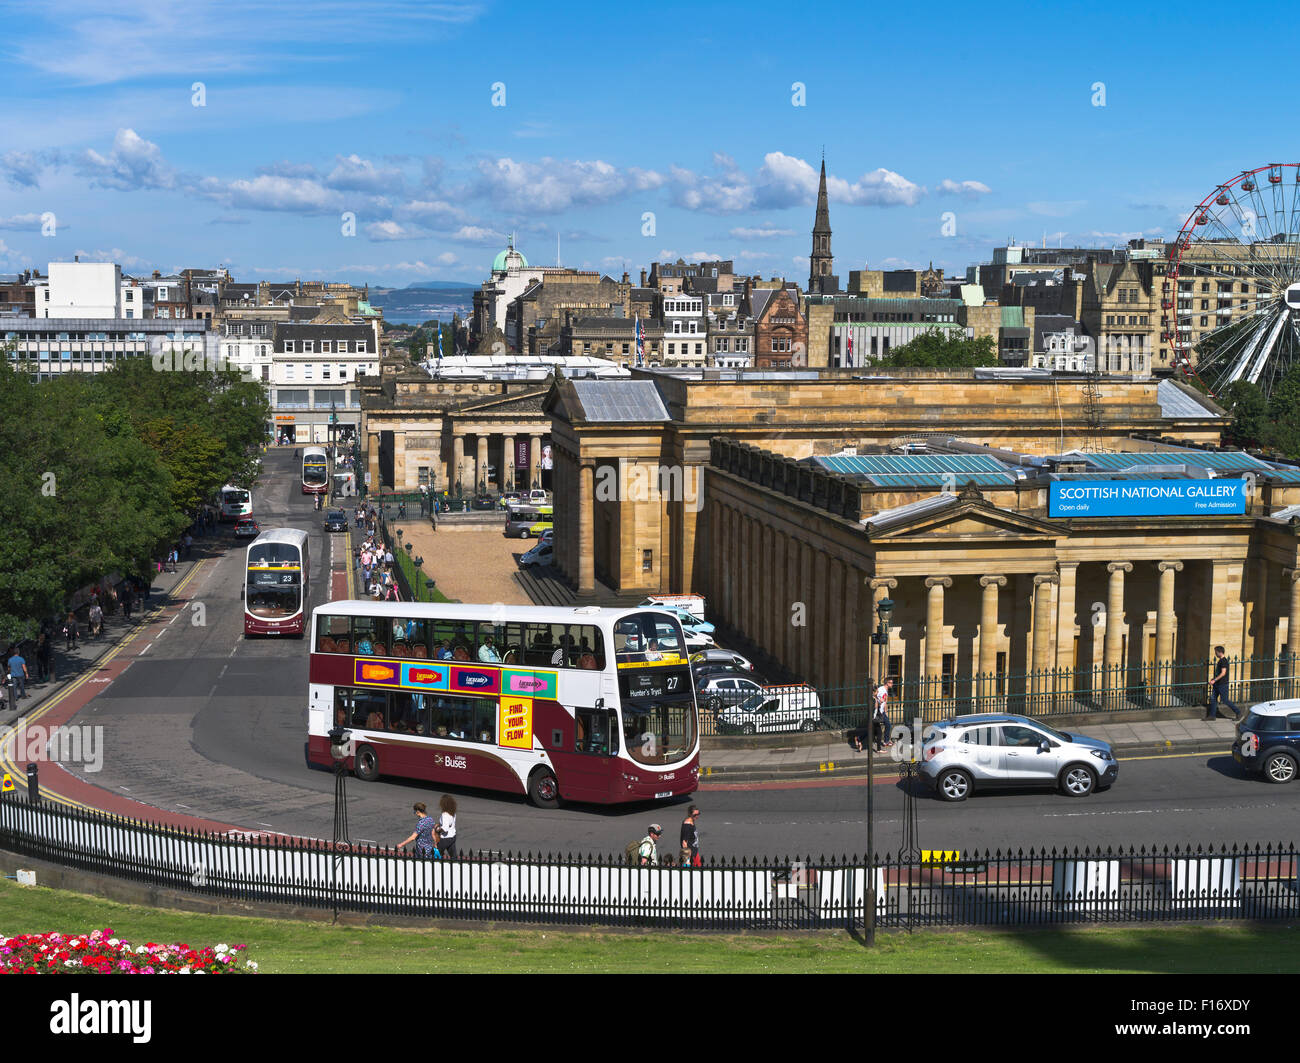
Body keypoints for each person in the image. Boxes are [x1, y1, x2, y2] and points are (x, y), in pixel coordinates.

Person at [1207, 645, 1241, 721]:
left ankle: (1238, 712)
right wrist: (1214, 680)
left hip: (1222, 684)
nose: (1215, 653)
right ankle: (1212, 716)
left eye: (1216, 652)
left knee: (1225, 700)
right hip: (1217, 684)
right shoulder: (1221, 660)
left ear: (1219, 652)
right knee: (1213, 699)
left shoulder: (1224, 661)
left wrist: (1214, 680)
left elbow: (1223, 673)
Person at [437, 794, 458, 859]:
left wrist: (437, 829)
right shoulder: (453, 812)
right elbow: (450, 823)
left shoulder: (445, 814)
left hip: (445, 839)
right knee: (454, 857)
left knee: (436, 855)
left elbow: (445, 828)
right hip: (452, 837)